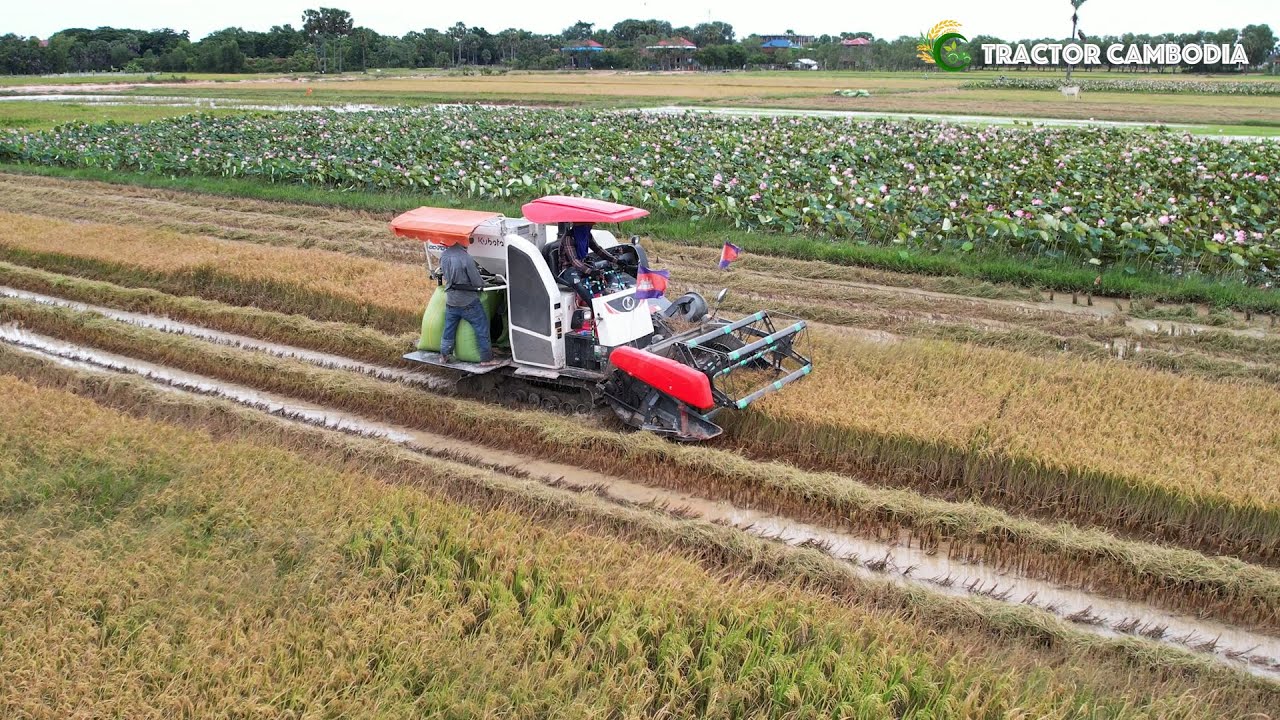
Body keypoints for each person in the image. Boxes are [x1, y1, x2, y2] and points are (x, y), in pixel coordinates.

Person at [439, 240, 499, 366]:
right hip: (468, 302)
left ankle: (444, 355)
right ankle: (486, 359)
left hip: (451, 300)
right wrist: (485, 284)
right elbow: (477, 282)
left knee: (449, 328)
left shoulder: (444, 255)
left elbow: (445, 276)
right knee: (481, 328)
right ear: (463, 241)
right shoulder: (466, 258)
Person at [556, 222, 620, 305]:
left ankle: (593, 295)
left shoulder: (587, 235)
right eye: (588, 226)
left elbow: (598, 249)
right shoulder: (568, 238)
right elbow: (574, 261)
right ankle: (594, 306)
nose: (590, 228)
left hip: (583, 265)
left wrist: (615, 260)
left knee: (608, 275)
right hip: (569, 269)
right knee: (577, 283)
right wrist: (590, 271)